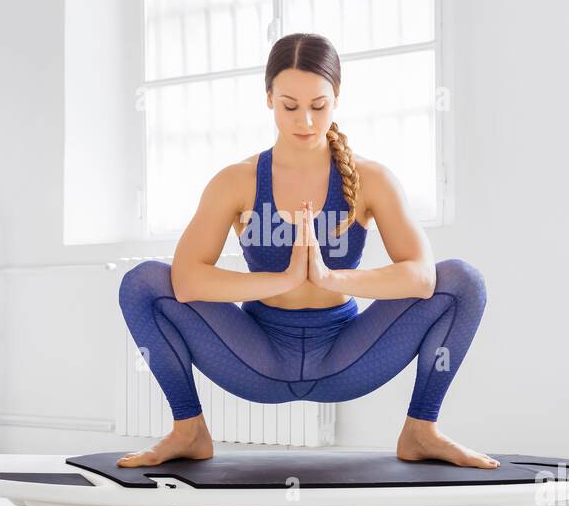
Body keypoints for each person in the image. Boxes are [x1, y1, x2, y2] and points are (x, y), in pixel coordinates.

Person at [117, 33, 493, 468]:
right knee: (141, 281)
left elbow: (422, 277)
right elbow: (185, 279)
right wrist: (284, 279)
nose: (306, 122)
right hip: (254, 356)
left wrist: (332, 279)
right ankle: (189, 429)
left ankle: (421, 430)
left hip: (347, 357)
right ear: (269, 98)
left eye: (319, 106)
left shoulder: (373, 179)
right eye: (289, 106)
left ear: (337, 98)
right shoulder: (235, 181)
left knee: (464, 281)